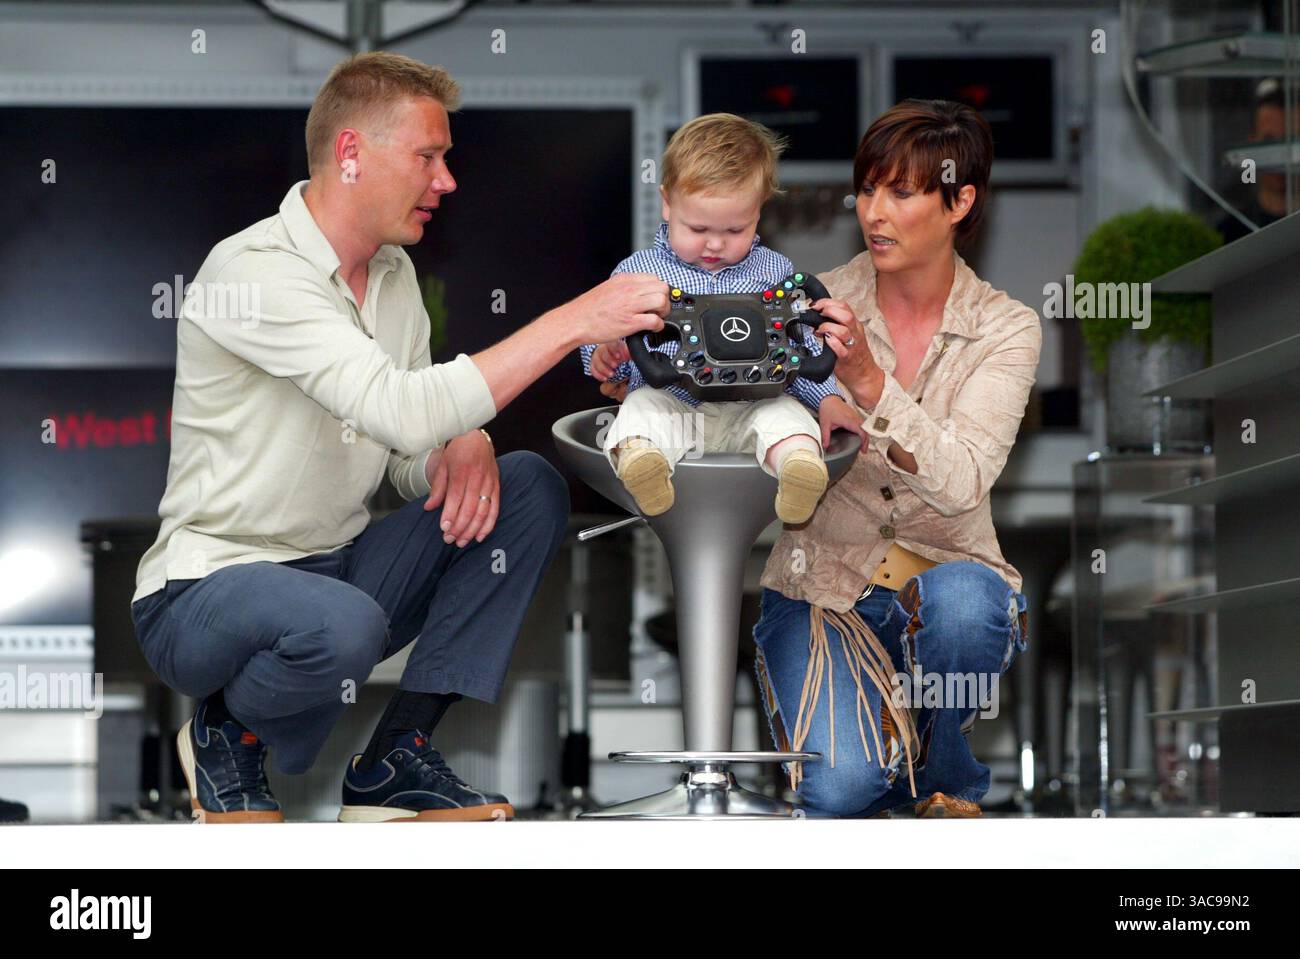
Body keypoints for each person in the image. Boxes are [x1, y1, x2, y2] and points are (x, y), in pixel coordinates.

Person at [128, 52, 668, 823]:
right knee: (341, 624)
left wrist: (456, 444)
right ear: (351, 154)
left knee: (526, 486)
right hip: (202, 593)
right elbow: (403, 405)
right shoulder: (253, 272)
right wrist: (575, 320)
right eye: (428, 156)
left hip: (336, 570)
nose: (445, 180)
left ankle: (394, 759)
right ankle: (224, 733)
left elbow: (403, 451)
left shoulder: (393, 276)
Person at [751, 99, 1040, 818]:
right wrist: (633, 370)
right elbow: (730, 409)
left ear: (959, 200)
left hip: (943, 585)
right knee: (842, 790)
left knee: (968, 603)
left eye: (901, 192)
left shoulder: (1007, 328)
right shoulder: (809, 303)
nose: (874, 210)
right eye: (868, 188)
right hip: (819, 589)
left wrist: (871, 385)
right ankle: (913, 780)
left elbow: (964, 481)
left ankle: (940, 762)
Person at [579, 114, 863, 523]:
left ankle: (799, 467)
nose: (714, 243)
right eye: (697, 227)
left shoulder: (774, 273)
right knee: (640, 409)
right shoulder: (637, 274)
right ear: (666, 201)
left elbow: (802, 348)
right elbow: (598, 332)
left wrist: (829, 399)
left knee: (788, 417)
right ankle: (644, 465)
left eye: (735, 229)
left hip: (753, 406)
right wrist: (603, 354)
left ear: (759, 212)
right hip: (673, 407)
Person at [1216, 78, 1300, 244]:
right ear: (1251, 143)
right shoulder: (1230, 232)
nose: (1279, 155)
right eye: (1269, 140)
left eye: (1290, 140)